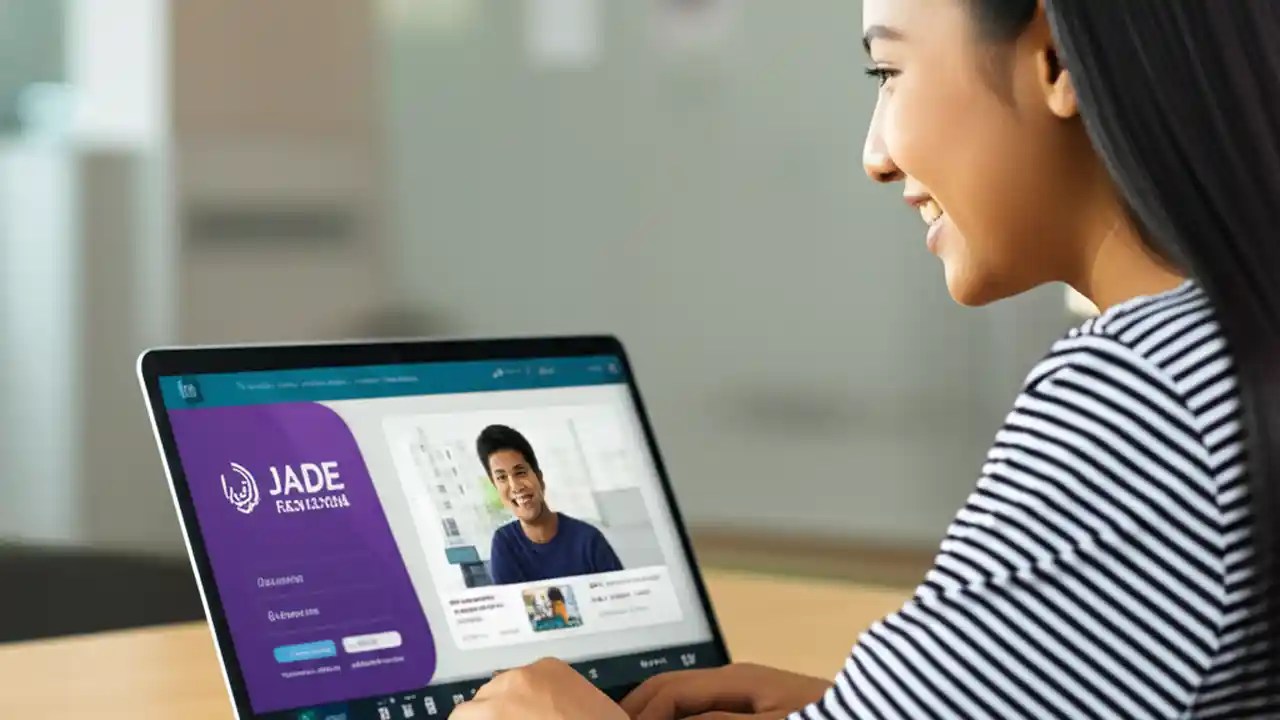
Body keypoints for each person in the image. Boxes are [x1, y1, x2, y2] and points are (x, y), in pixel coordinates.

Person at [454, 2, 1280, 718]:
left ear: (1055, 57)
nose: (875, 154)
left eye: (888, 70)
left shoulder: (1146, 394)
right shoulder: (1232, 355)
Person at [477, 424, 624, 585]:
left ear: (539, 478)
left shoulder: (588, 539)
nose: (515, 486)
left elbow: (620, 601)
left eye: (520, 472)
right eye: (502, 478)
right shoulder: (504, 543)